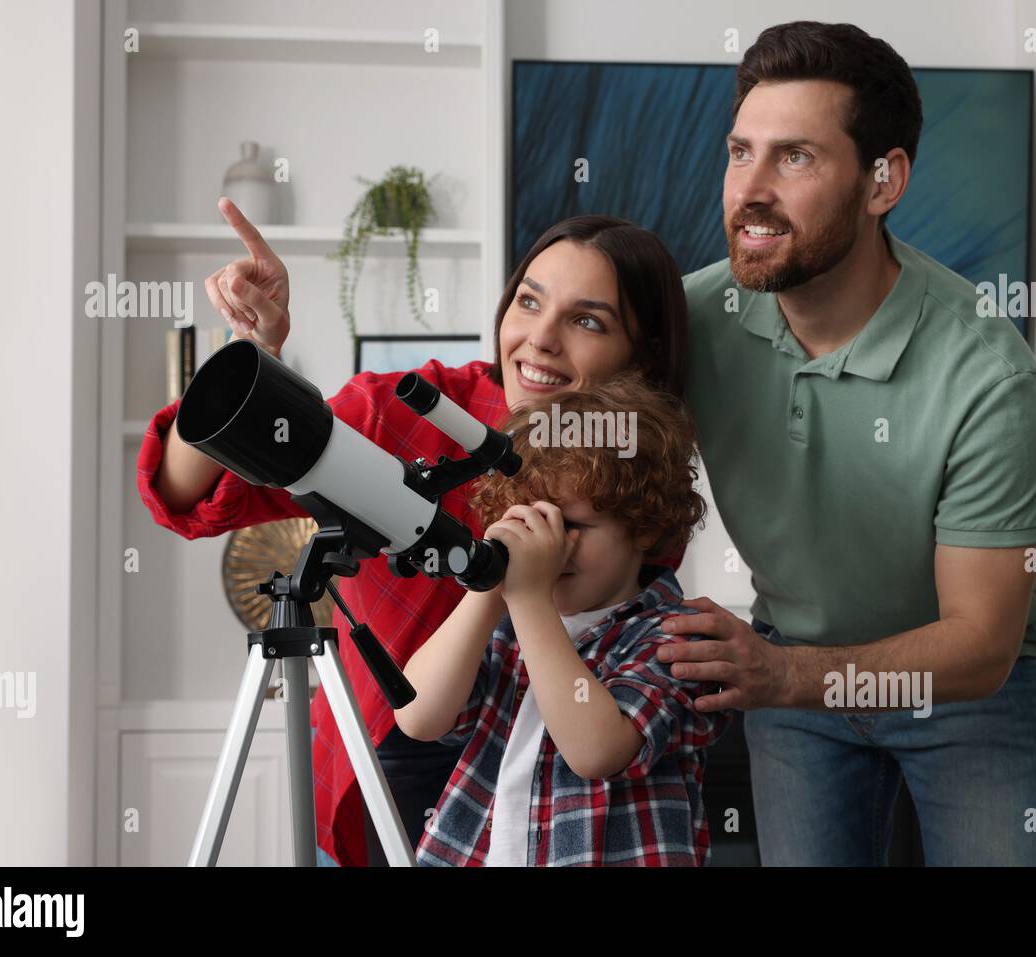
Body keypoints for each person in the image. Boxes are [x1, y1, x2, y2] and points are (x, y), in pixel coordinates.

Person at [136, 201, 691, 865]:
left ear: (643, 353)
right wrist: (252, 356)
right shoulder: (405, 409)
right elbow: (186, 495)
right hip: (386, 762)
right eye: (529, 302)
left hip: (552, 801)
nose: (540, 339)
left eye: (587, 321)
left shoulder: (634, 466)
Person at [657, 20, 1036, 865]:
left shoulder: (988, 375)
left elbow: (982, 640)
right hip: (797, 682)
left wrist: (778, 677)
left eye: (795, 158)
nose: (750, 190)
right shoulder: (692, 320)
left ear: (885, 182)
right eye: (741, 152)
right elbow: (534, 398)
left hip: (965, 686)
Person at [397, 375, 731, 865]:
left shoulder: (677, 636)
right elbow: (418, 716)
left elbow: (597, 750)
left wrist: (529, 599)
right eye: (529, 519)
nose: (550, 544)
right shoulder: (509, 628)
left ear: (646, 525)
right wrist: (490, 586)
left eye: (571, 524)